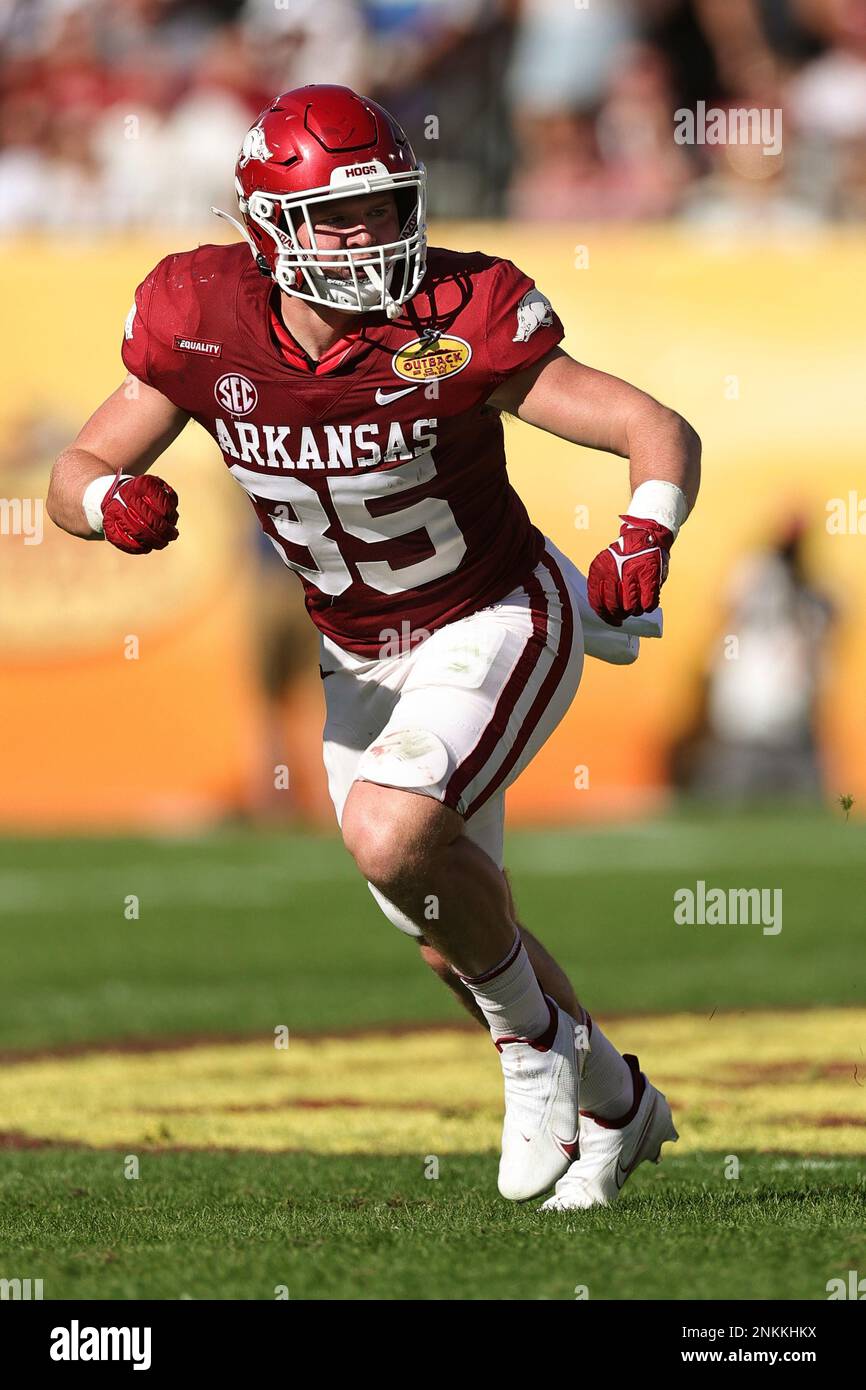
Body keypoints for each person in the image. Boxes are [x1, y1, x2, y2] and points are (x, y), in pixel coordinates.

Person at [46, 84, 700, 1210]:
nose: (371, 236)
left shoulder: (460, 308)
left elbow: (653, 427)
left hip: (497, 611)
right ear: (266, 226)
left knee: (392, 834)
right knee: (448, 929)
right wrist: (107, 499)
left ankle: (530, 1053)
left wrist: (645, 530)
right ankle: (618, 1105)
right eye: (337, 217)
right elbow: (71, 472)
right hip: (354, 650)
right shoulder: (199, 314)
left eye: (386, 206)